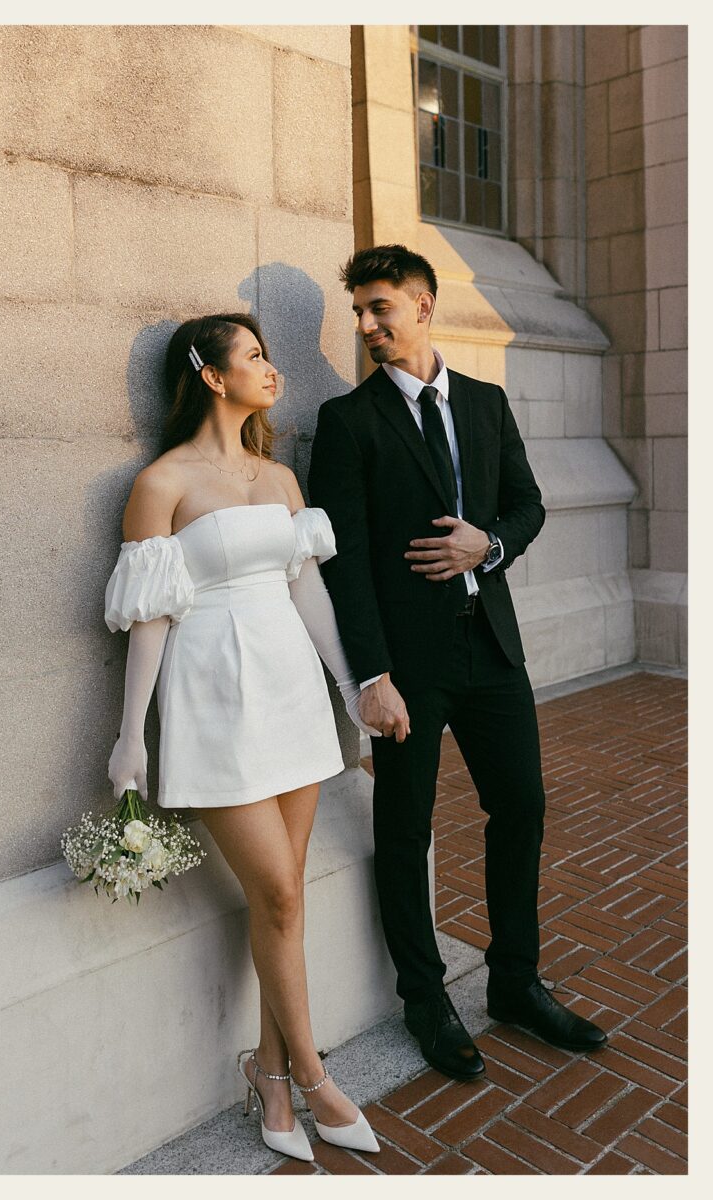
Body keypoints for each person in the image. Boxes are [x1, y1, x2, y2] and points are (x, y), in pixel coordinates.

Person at [309, 244, 606, 1081]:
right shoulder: (349, 422)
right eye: (360, 312)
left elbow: (528, 503)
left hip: (493, 650)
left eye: (380, 308)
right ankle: (425, 999)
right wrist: (369, 677)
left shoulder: (484, 402)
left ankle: (514, 982)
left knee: (522, 806)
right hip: (409, 668)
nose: (367, 326)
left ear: (423, 304)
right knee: (404, 830)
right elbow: (347, 558)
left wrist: (490, 544)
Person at [104, 313, 380, 1163]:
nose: (274, 370)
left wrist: (349, 695)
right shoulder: (161, 482)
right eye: (256, 357)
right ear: (213, 376)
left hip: (293, 689)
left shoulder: (280, 478)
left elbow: (311, 595)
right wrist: (129, 740)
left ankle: (268, 1074)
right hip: (212, 695)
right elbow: (148, 619)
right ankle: (314, 1075)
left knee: (281, 899)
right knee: (282, 898)